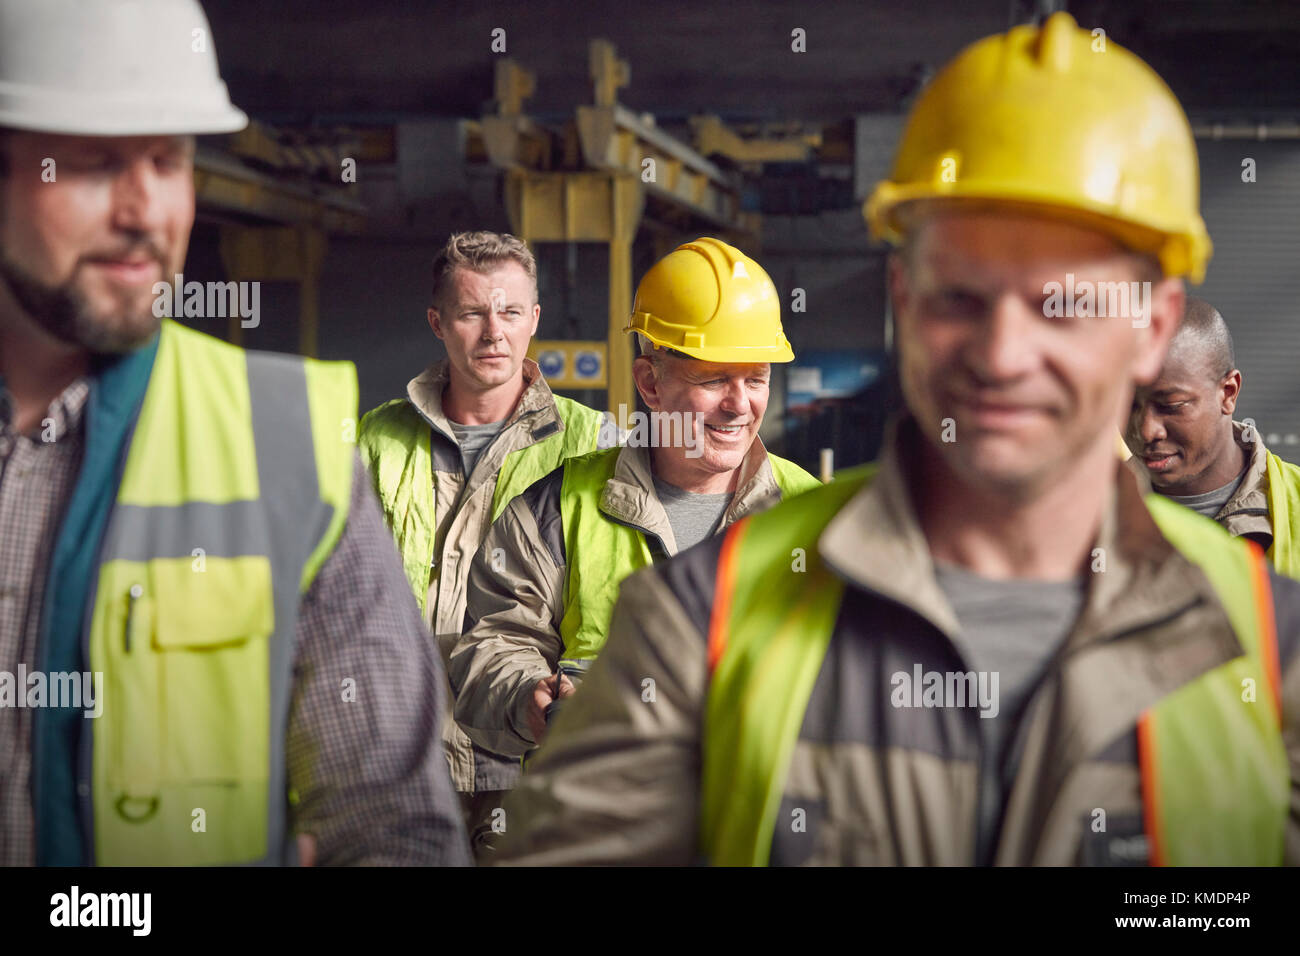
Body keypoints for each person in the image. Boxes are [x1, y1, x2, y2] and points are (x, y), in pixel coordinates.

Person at [491, 13, 1300, 866]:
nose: (1003, 353)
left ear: (1153, 327)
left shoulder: (1267, 646)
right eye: (961, 295)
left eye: (1065, 302)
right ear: (904, 300)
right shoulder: (701, 623)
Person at [0, 0, 469, 865]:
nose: (147, 210)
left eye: (170, 161)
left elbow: (394, 828)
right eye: (99, 163)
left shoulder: (289, 448)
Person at [449, 237, 819, 821]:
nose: (739, 404)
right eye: (714, 379)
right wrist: (532, 700)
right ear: (649, 383)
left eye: (755, 378)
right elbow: (492, 647)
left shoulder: (812, 515)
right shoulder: (558, 506)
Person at [357, 230, 611, 852]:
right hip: (398, 762)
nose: (494, 333)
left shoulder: (596, 444)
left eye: (511, 312)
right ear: (438, 322)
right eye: (473, 312)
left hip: (529, 765)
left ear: (534, 322)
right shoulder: (375, 440)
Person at [1126, 295, 1300, 574]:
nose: (1146, 431)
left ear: (1228, 392)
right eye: (1127, 405)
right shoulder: (1081, 515)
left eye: (1171, 406)